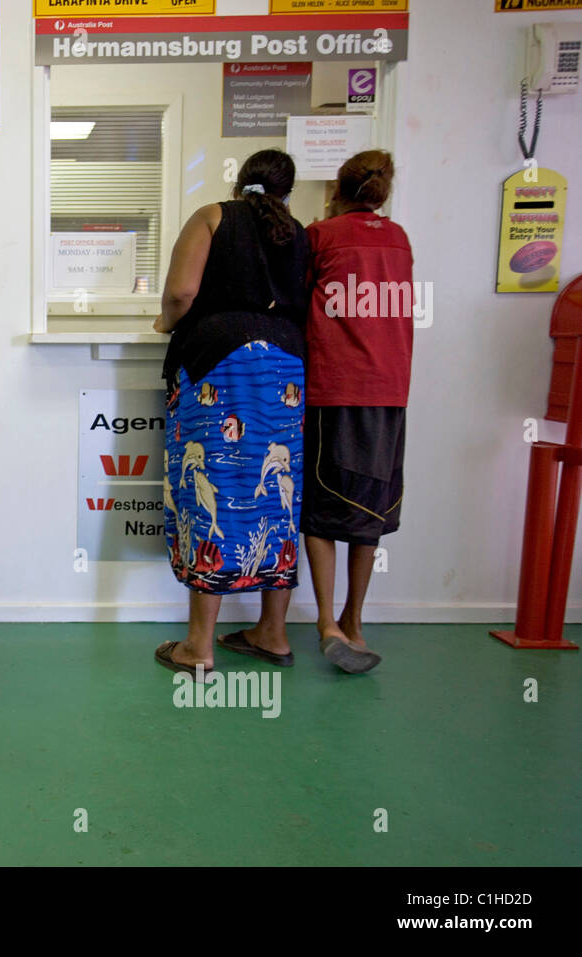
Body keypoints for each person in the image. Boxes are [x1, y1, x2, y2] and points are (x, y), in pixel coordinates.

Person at [152, 149, 311, 679]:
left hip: (219, 366)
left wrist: (164, 321)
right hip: (286, 368)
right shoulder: (300, 234)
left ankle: (199, 647)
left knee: (211, 485)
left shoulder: (212, 216)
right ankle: (273, 632)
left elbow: (180, 291)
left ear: (241, 181)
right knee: (278, 495)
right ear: (285, 192)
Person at [301, 151, 413, 674]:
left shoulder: (321, 236)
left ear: (338, 190)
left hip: (336, 387)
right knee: (370, 507)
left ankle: (326, 622)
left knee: (323, 505)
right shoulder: (399, 239)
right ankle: (354, 621)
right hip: (390, 391)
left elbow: (297, 300)